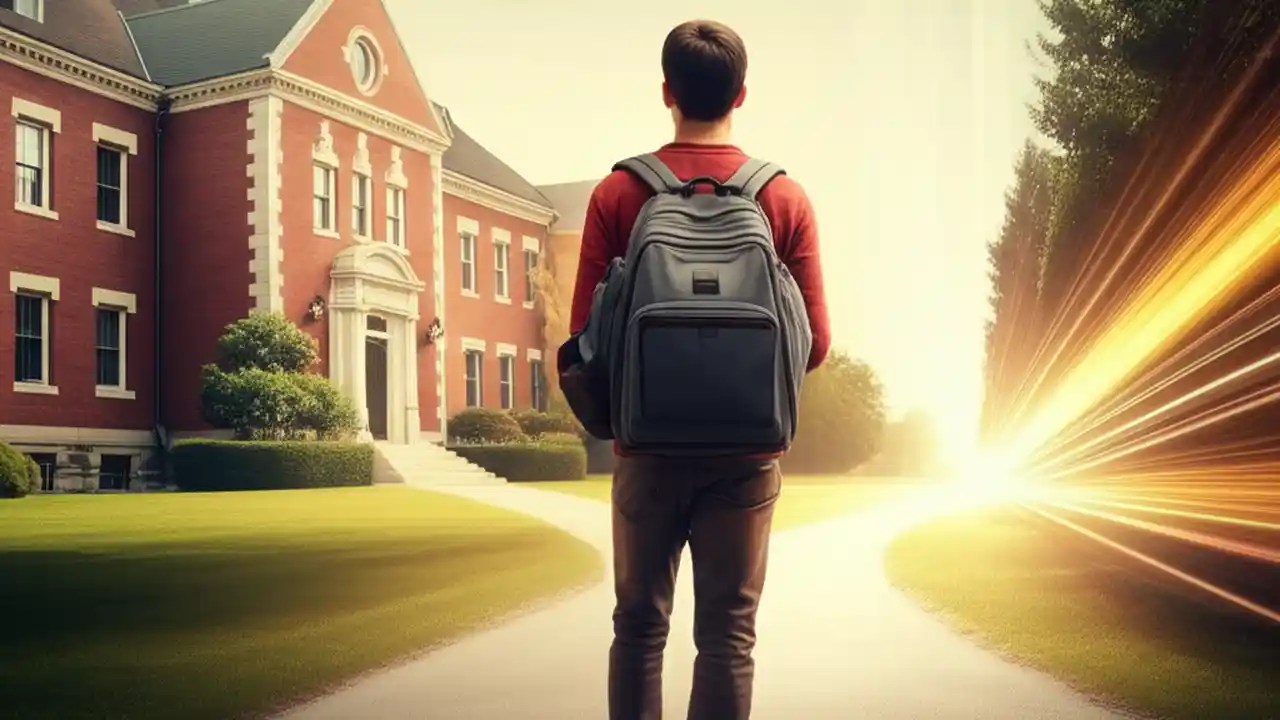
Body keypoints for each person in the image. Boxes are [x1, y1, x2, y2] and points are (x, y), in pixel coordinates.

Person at [568, 19, 831, 720]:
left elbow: (583, 341)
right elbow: (816, 343)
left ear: (666, 92)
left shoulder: (619, 194)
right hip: (746, 458)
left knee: (639, 629)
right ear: (741, 94)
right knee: (727, 639)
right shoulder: (782, 198)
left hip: (646, 452)